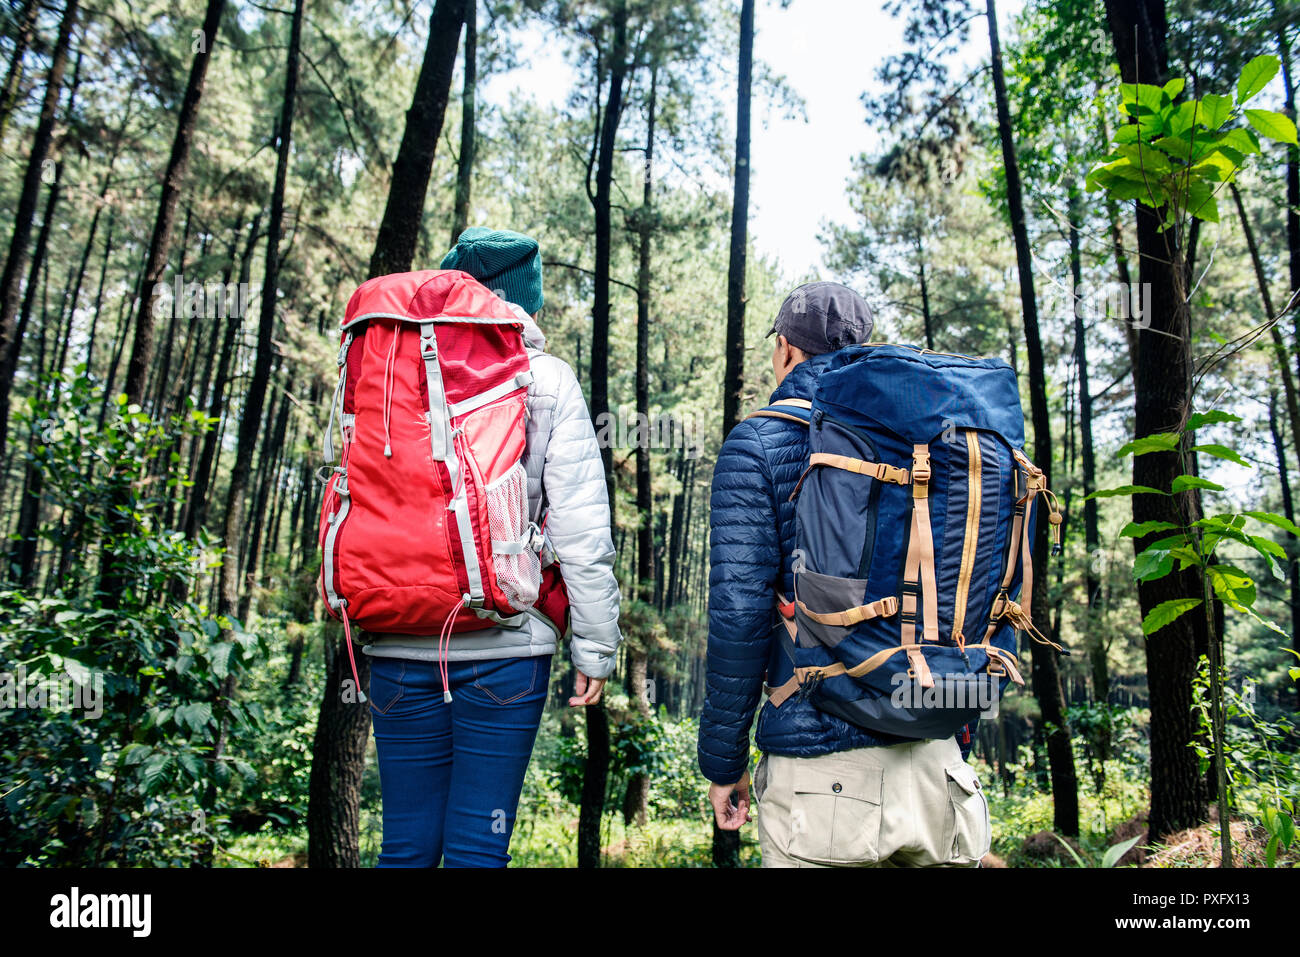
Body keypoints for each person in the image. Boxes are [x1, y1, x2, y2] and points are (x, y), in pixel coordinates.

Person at [697, 281, 989, 868]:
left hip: (822, 780)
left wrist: (722, 764)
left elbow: (739, 615)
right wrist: (955, 724)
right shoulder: (927, 439)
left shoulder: (759, 442)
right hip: (938, 765)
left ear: (784, 348)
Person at [364, 227, 622, 867]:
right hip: (504, 643)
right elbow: (581, 533)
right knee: (478, 849)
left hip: (396, 640)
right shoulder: (545, 378)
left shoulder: (389, 366)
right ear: (525, 303)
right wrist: (594, 646)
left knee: (404, 848)